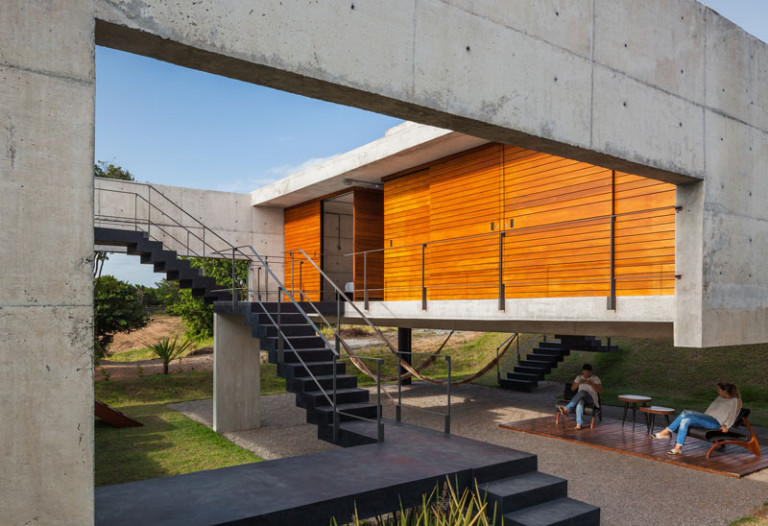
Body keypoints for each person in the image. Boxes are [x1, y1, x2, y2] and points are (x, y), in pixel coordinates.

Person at [652, 383, 741, 455]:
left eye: (719, 390)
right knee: (685, 421)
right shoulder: (719, 398)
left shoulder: (734, 400)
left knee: (685, 412)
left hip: (716, 423)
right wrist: (700, 418)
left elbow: (733, 415)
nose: (717, 392)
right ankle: (678, 448)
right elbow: (709, 410)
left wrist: (726, 426)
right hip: (706, 420)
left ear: (725, 390)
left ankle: (667, 431)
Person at [558, 363, 602, 430]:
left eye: (587, 373)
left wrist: (592, 384)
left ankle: (567, 408)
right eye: (584, 373)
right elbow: (572, 389)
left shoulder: (595, 378)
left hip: (591, 399)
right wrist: (578, 383)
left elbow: (600, 391)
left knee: (582, 392)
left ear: (591, 372)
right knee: (580, 403)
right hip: (581, 398)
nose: (585, 375)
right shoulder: (579, 377)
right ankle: (579, 424)